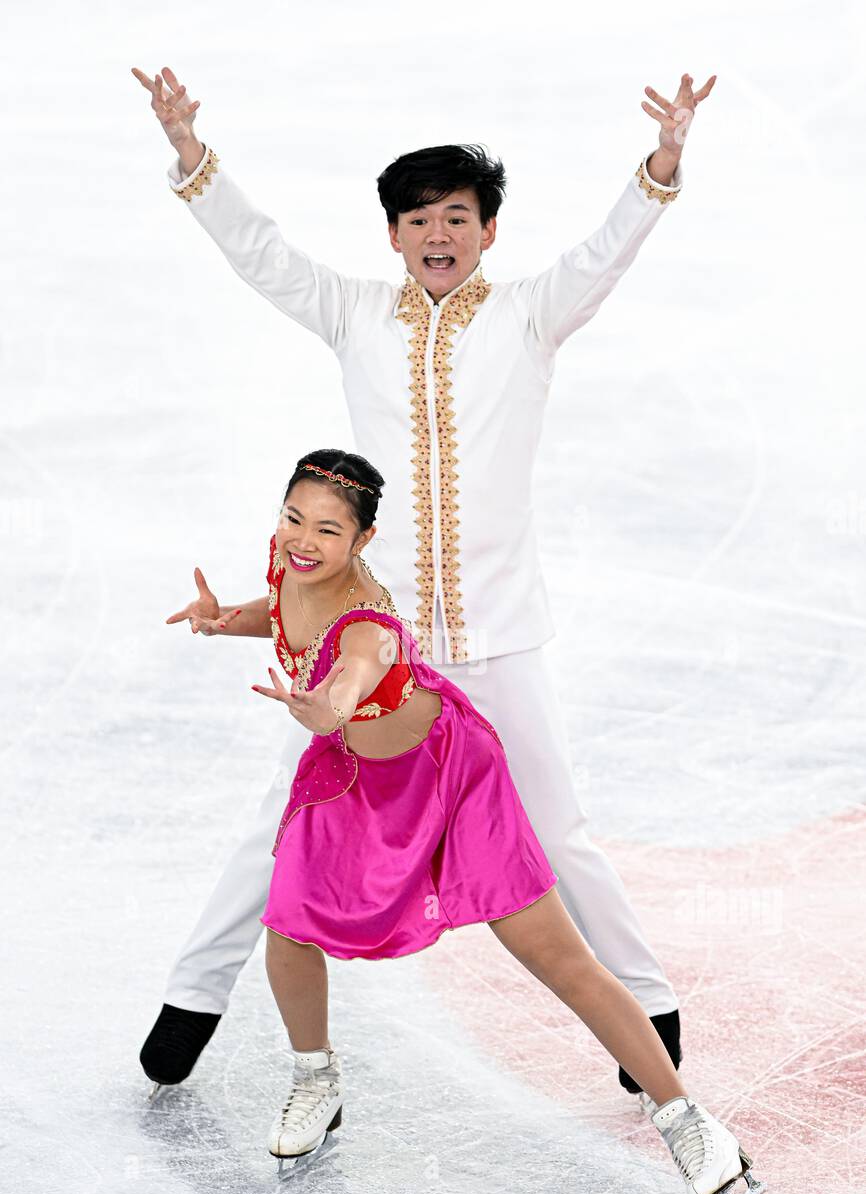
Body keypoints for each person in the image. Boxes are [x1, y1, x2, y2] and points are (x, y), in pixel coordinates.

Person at [132, 63, 718, 1106]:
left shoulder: (531, 313)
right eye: (416, 219)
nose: (436, 234)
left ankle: (644, 1003)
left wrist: (659, 166)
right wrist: (191, 155)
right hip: (376, 651)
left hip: (500, 638)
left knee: (555, 823)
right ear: (392, 236)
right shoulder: (356, 312)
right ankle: (192, 997)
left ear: (487, 230)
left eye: (456, 216)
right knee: (285, 811)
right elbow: (261, 255)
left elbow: (604, 253)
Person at [181, 448, 763, 1194]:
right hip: (357, 786)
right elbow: (285, 616)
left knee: (556, 956)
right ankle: (315, 1081)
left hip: (451, 783)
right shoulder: (293, 567)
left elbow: (350, 674)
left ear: (364, 541)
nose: (303, 540)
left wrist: (326, 709)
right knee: (288, 926)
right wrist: (226, 622)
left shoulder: (370, 625)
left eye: (328, 530)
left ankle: (689, 1124)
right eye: (294, 518)